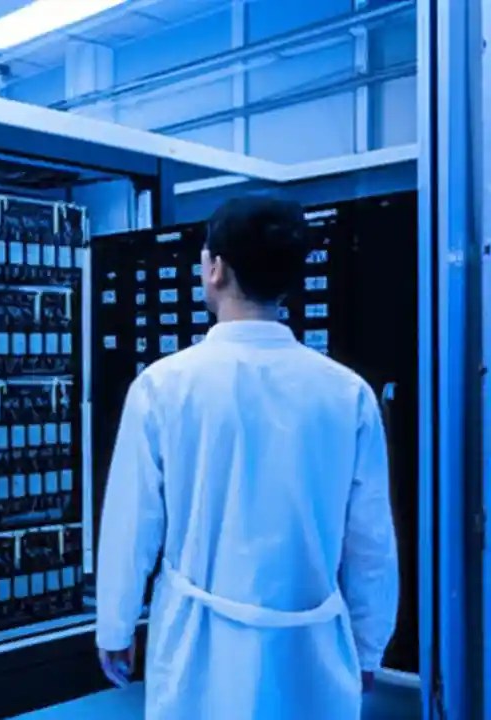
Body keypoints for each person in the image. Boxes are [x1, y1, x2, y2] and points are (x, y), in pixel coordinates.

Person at [94, 195, 400, 719]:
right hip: (311, 651)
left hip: (198, 648)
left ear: (215, 269)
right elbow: (370, 540)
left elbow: (132, 526)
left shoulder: (165, 386)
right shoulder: (346, 393)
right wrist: (368, 646)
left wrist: (116, 627)